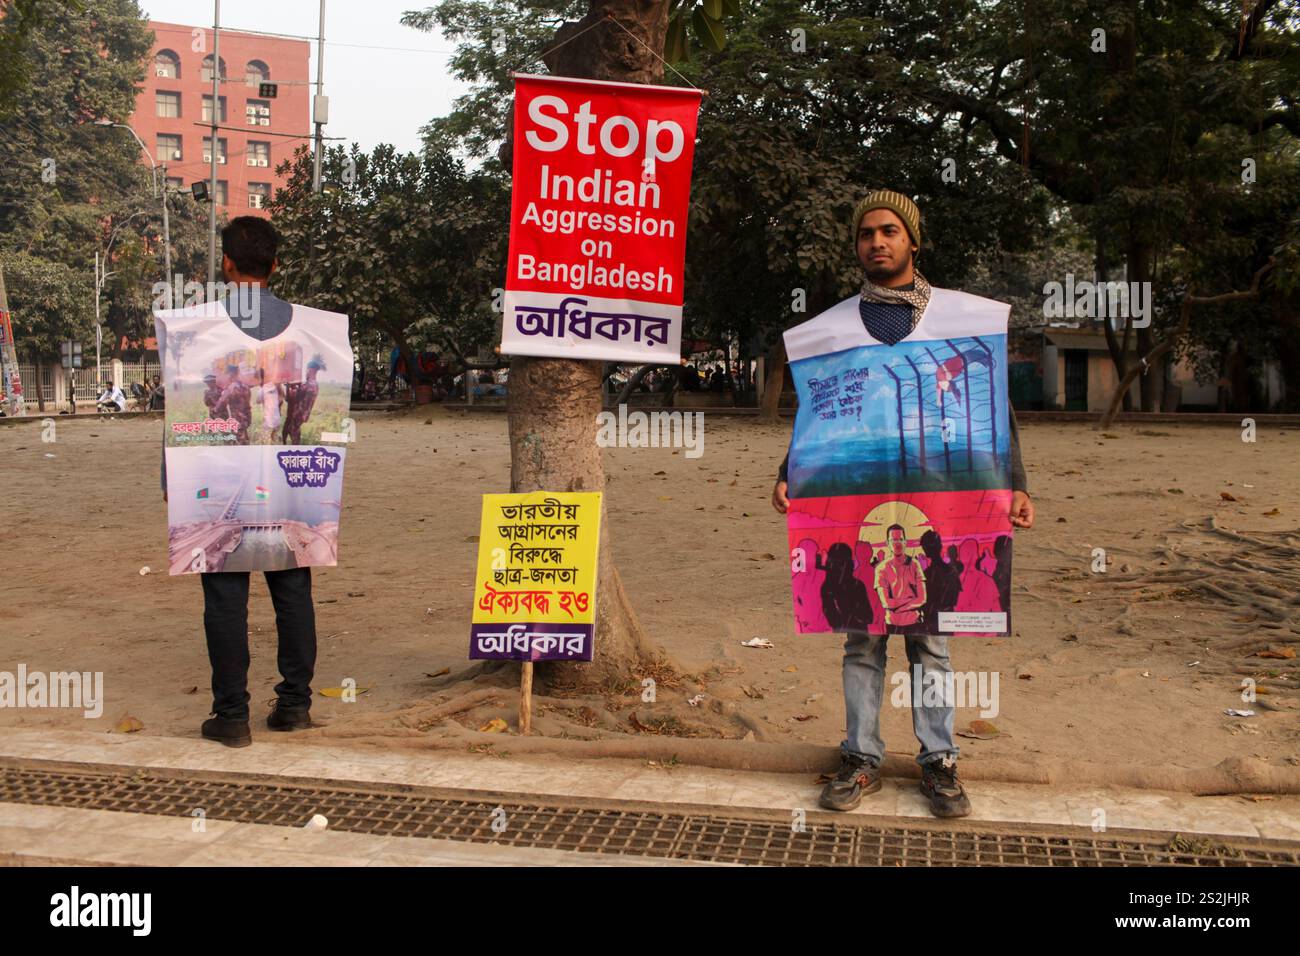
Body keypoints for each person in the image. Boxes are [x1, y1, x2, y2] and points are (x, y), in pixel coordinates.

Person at [772, 189, 1035, 818]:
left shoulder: (960, 322)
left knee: (933, 638)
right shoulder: (831, 331)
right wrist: (789, 470)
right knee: (862, 637)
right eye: (866, 234)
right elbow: (818, 415)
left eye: (889, 231)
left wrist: (1016, 481)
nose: (876, 242)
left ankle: (939, 763)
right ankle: (860, 758)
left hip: (938, 498)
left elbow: (994, 412)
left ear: (912, 240)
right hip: (858, 502)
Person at [161, 216, 318, 747]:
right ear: (275, 266)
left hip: (213, 473)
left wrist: (173, 477)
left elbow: (180, 418)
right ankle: (295, 706)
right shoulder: (312, 328)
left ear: (225, 264)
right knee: (292, 585)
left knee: (225, 592)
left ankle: (231, 717)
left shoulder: (195, 326)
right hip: (292, 473)